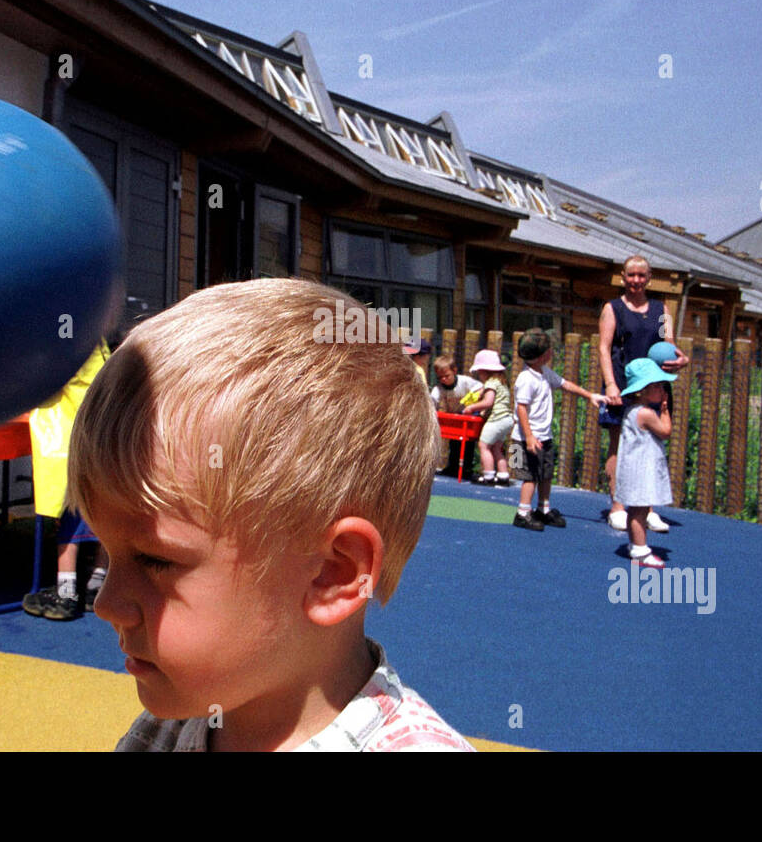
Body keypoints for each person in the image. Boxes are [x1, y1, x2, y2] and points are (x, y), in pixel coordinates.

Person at [66, 279, 473, 751]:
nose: (106, 604)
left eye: (155, 561)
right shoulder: (166, 733)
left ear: (332, 572)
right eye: (105, 551)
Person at [597, 255, 689, 533]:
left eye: (641, 276)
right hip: (623, 384)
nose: (635, 281)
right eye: (631, 275)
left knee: (652, 448)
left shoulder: (662, 310)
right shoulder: (612, 308)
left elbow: (669, 344)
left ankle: (647, 509)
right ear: (623, 277)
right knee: (619, 445)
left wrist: (682, 360)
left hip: (654, 386)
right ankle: (618, 507)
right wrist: (611, 384)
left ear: (649, 278)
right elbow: (604, 347)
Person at [23, 341, 111, 621]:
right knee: (104, 520)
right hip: (101, 446)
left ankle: (66, 591)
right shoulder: (101, 349)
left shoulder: (68, 346)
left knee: (70, 521)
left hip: (68, 444)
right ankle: (98, 583)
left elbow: (46, 383)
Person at [509, 329, 605, 531]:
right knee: (530, 476)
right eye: (549, 349)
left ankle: (543, 509)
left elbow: (564, 384)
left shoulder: (544, 373)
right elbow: (521, 409)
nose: (552, 352)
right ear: (542, 355)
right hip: (527, 438)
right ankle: (522, 513)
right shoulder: (526, 379)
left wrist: (589, 396)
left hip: (544, 436)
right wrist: (528, 437)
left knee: (545, 474)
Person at [613, 358, 677, 568]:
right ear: (641, 390)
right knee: (639, 511)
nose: (662, 390)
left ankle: (636, 545)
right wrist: (666, 411)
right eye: (656, 386)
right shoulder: (647, 413)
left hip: (634, 468)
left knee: (636, 510)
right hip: (641, 470)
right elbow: (666, 432)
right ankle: (640, 551)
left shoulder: (632, 410)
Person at [464, 349, 513, 486]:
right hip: (507, 419)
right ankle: (503, 475)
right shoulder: (501, 382)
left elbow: (488, 402)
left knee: (483, 445)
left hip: (497, 419)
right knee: (496, 448)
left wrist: (472, 407)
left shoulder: (491, 383)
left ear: (485, 371)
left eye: (479, 372)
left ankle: (488, 475)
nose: (479, 375)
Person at [430, 354, 483, 477]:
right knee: (454, 442)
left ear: (454, 371)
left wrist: (472, 399)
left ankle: (466, 468)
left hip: (467, 416)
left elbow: (481, 387)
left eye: (447, 376)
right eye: (440, 377)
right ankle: (452, 466)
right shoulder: (439, 388)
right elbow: (433, 400)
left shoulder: (464, 381)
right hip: (454, 416)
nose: (443, 379)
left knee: (468, 443)